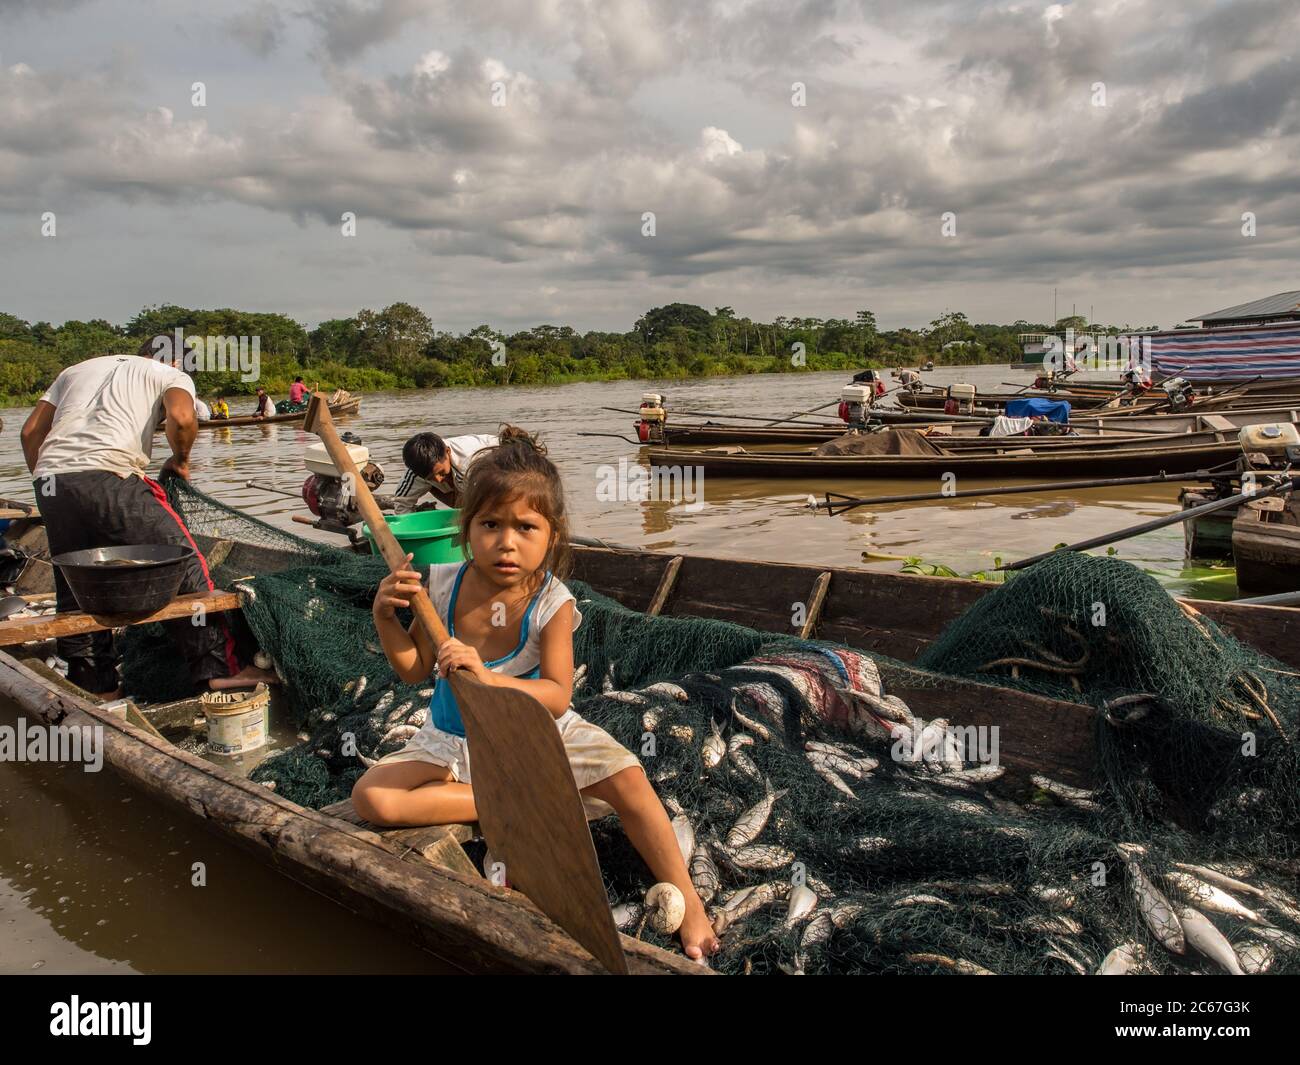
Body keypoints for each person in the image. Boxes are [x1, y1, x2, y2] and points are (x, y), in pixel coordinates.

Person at [350, 435, 719, 959]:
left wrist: (487, 674)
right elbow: (413, 671)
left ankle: (689, 897)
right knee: (372, 798)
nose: (507, 542)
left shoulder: (553, 602)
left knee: (632, 781)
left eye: (526, 527)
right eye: (491, 525)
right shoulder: (440, 587)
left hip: (537, 734)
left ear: (552, 536)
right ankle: (507, 802)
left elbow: (556, 694)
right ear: (466, 529)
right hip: (453, 740)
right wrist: (385, 615)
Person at [19, 337, 275, 697]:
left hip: (50, 481)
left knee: (78, 588)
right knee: (186, 566)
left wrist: (55, 488)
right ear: (177, 364)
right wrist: (181, 460)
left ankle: (96, 688)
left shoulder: (75, 370)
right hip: (113, 477)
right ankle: (220, 669)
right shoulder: (169, 374)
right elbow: (183, 419)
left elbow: (30, 432)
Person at [391, 428, 504, 513]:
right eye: (430, 478)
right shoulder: (416, 472)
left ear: (448, 452)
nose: (438, 480)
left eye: (440, 472)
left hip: (502, 465)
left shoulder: (471, 461)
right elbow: (402, 504)